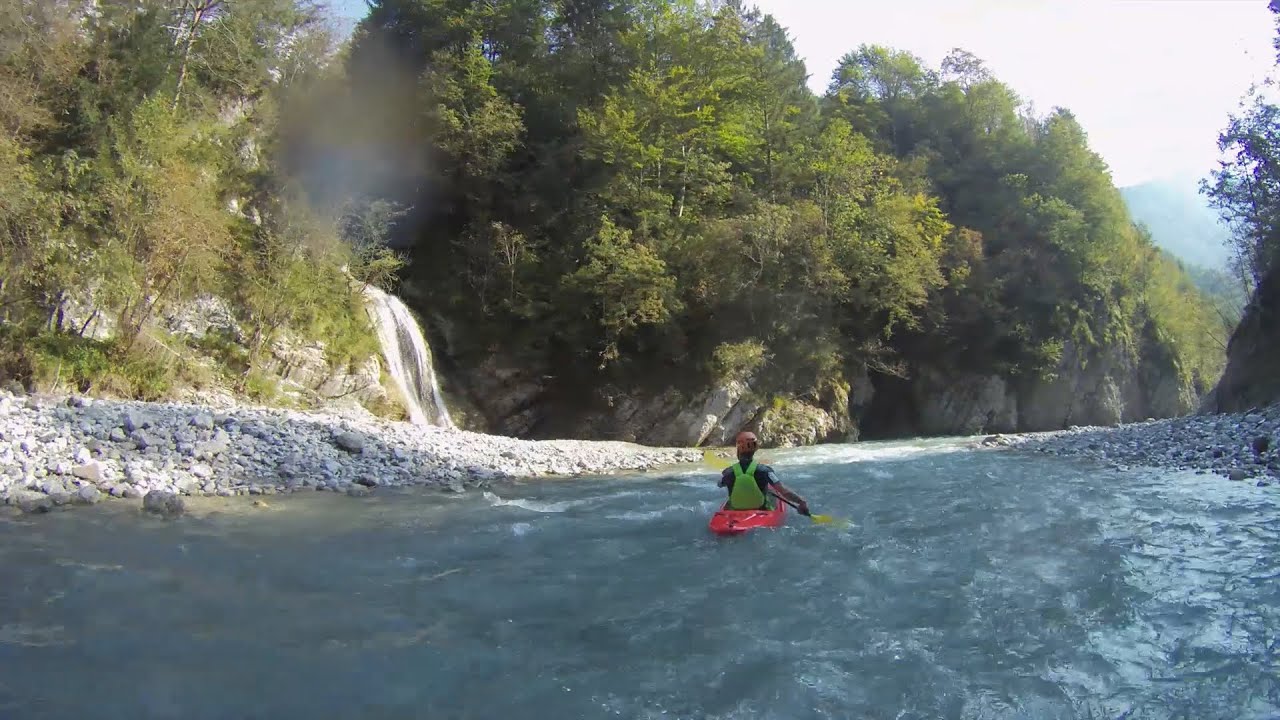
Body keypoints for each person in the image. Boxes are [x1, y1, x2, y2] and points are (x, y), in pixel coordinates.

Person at [718, 431, 810, 515]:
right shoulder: (765, 471)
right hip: (760, 511)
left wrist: (723, 481)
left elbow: (720, 484)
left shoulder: (728, 472)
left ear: (738, 448)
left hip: (734, 514)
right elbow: (783, 491)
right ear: (755, 448)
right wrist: (801, 502)